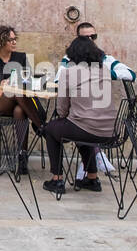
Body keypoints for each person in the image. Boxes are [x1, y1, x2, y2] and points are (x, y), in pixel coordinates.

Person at [54, 21, 135, 178]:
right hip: (92, 117)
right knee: (81, 119)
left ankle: (76, 171)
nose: (90, 40)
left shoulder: (105, 60)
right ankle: (95, 161)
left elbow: (131, 74)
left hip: (89, 116)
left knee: (71, 123)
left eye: (93, 36)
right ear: (78, 40)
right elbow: (58, 79)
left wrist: (106, 75)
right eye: (86, 37)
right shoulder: (69, 59)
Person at [42, 36, 119, 197]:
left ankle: (57, 179)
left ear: (73, 54)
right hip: (111, 132)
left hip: (85, 128)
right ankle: (92, 178)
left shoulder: (69, 73)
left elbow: (62, 110)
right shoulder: (105, 70)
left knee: (51, 129)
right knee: (83, 126)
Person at [0, 25, 44, 174]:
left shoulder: (20, 57)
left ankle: (21, 157)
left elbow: (29, 81)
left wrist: (18, 83)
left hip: (19, 102)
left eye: (15, 39)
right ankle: (41, 125)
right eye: (10, 40)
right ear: (1, 42)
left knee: (19, 110)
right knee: (15, 92)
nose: (14, 42)